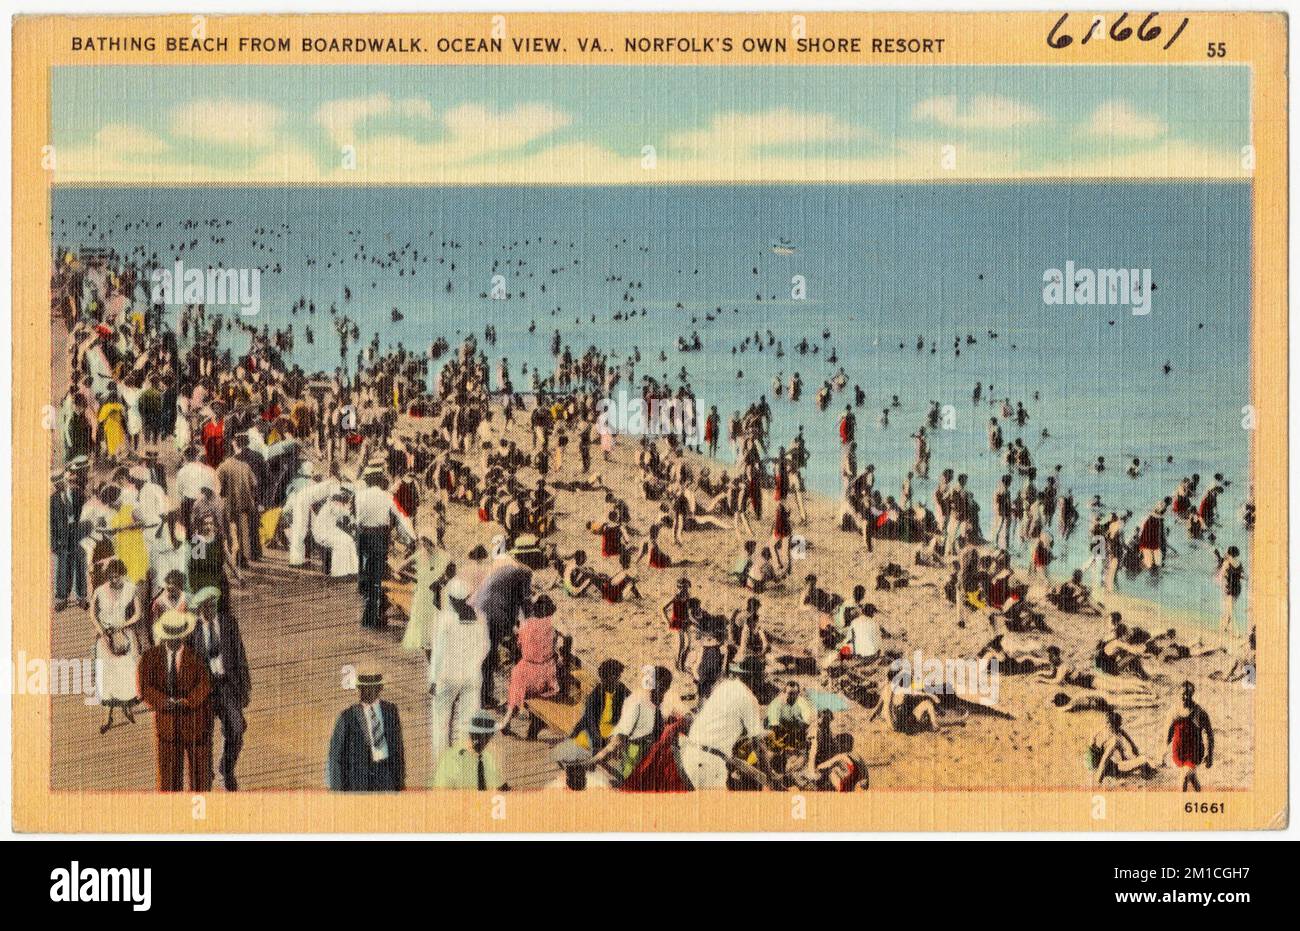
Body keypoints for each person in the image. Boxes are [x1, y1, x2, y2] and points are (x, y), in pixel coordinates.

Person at [138, 609, 213, 791]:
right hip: (167, 727)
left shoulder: (197, 657)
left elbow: (205, 684)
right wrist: (164, 701)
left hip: (195, 724)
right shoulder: (149, 658)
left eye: (177, 637)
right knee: (168, 782)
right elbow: (145, 687)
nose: (173, 641)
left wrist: (188, 701)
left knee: (200, 779)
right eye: (170, 637)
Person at [189, 587, 250, 790]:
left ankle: (226, 768)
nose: (210, 610)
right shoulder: (192, 633)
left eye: (213, 605)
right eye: (205, 607)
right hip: (204, 692)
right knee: (203, 735)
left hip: (226, 685)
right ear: (198, 611)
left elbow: (240, 656)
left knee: (237, 727)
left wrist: (244, 689)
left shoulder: (228, 624)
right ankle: (207, 773)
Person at [679, 655, 768, 789]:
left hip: (689, 755)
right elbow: (758, 743)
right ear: (754, 678)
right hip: (709, 762)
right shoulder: (749, 698)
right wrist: (769, 775)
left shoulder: (724, 687)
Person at [353, 461, 416, 629]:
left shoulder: (360, 495)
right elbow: (402, 518)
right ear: (381, 481)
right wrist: (412, 538)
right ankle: (372, 617)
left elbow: (356, 518)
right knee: (377, 576)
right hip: (379, 536)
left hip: (362, 535)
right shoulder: (387, 497)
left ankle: (366, 595)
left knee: (365, 568)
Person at [325, 664, 406, 791]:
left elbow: (398, 749)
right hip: (358, 782)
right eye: (364, 687)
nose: (368, 691)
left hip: (386, 779)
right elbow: (336, 756)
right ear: (359, 688)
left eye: (372, 687)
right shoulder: (347, 716)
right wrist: (337, 791)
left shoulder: (391, 711)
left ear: (380, 688)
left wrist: (400, 783)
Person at [588, 665, 673, 780]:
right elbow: (619, 739)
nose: (662, 690)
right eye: (661, 686)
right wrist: (597, 759)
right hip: (636, 753)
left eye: (665, 686)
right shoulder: (638, 705)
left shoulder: (660, 704)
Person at [90, 557, 143, 733]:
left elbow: (138, 613)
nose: (115, 580)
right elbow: (92, 614)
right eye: (111, 577)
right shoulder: (100, 590)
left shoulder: (130, 589)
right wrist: (102, 631)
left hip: (123, 631)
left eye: (118, 576)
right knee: (107, 673)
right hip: (105, 634)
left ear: (123, 575)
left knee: (128, 668)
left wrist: (124, 625)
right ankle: (107, 716)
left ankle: (127, 706)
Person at [500, 595, 561, 737]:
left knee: (517, 688)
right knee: (554, 681)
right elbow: (566, 638)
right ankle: (536, 725)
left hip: (525, 672)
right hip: (544, 675)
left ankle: (506, 720)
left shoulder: (525, 624)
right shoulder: (553, 625)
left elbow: (519, 645)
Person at [433, 710, 507, 790]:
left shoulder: (486, 758)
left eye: (487, 736)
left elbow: (499, 783)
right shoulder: (452, 759)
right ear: (470, 733)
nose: (480, 740)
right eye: (475, 735)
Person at [571, 659, 630, 753]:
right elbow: (590, 722)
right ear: (604, 679)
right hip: (592, 731)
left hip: (611, 730)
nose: (616, 681)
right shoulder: (595, 696)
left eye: (618, 676)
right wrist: (598, 741)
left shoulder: (621, 688)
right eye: (613, 677)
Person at [50, 467, 87, 610]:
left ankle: (81, 597)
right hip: (63, 538)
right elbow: (51, 523)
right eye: (56, 484)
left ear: (65, 480)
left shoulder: (78, 493)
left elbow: (86, 513)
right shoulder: (52, 500)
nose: (59, 485)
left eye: (61, 482)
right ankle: (61, 598)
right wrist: (53, 543)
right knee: (63, 567)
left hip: (78, 535)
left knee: (80, 565)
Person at [1167, 681, 1214, 792]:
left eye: (1189, 694)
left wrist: (1210, 754)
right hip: (1178, 752)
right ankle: (1199, 794)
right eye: (1183, 693)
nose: (1185, 696)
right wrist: (1163, 750)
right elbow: (1168, 731)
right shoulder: (1174, 711)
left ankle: (1180, 805)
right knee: (1191, 777)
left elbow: (1209, 734)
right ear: (1178, 693)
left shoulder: (1200, 712)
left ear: (1192, 694)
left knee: (1183, 777)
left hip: (1194, 752)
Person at [1092, 710, 1158, 785]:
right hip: (1109, 769)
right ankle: (1151, 776)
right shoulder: (1114, 740)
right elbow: (1104, 759)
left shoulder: (1103, 730)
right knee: (1144, 760)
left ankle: (1148, 772)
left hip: (1096, 764)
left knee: (1136, 757)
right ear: (1117, 725)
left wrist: (1133, 754)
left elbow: (1131, 743)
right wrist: (1098, 780)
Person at [1215, 546, 1243, 635]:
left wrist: (1219, 583)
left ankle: (1238, 632)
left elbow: (1220, 576)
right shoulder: (1239, 563)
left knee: (1230, 610)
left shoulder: (1227, 563)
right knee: (1229, 609)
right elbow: (1243, 576)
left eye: (1227, 552)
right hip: (1238, 588)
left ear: (1229, 553)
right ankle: (1225, 628)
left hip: (1230, 588)